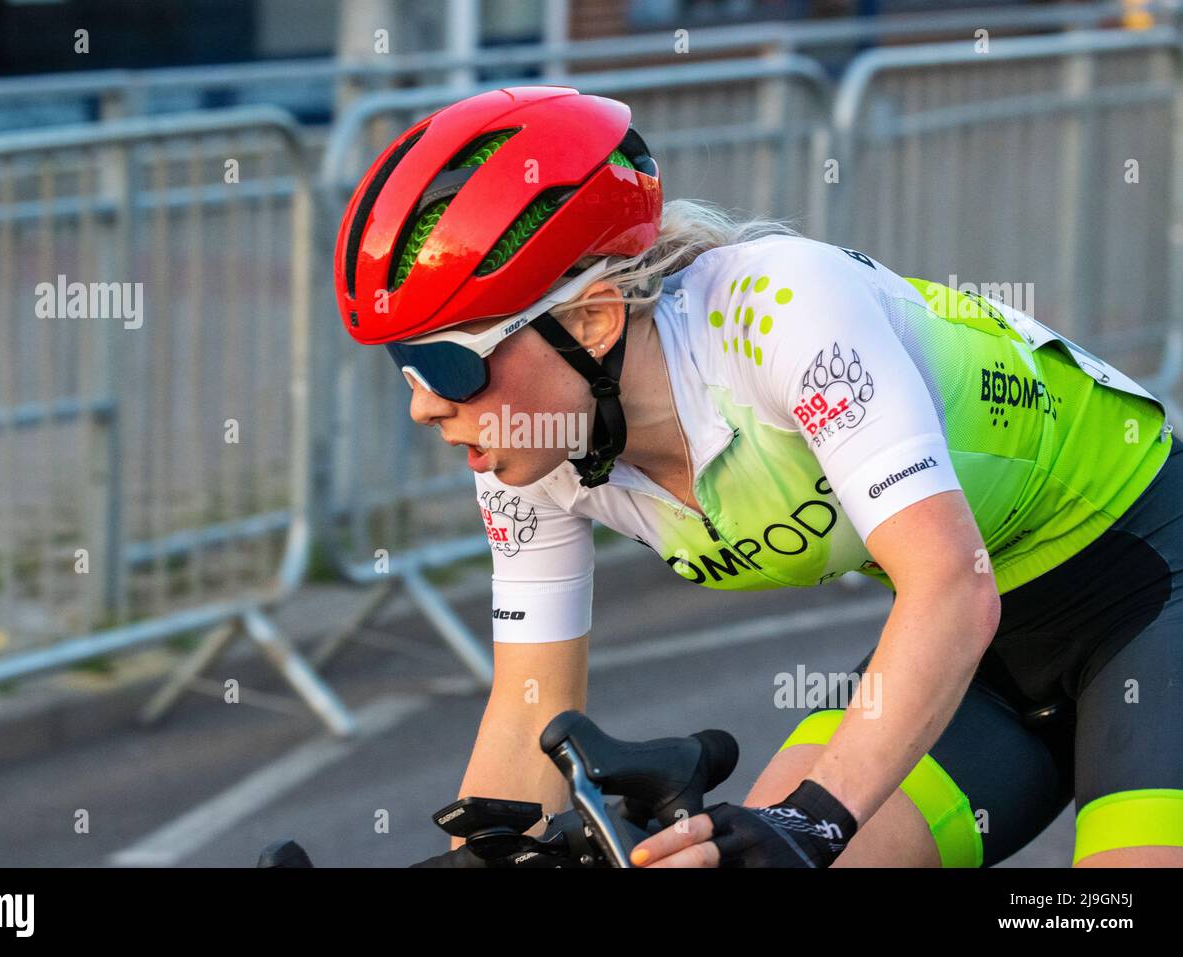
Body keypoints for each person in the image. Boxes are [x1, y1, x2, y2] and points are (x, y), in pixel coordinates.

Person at [333, 85, 1183, 867]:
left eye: (447, 363)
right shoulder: (533, 443)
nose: (424, 406)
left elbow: (951, 589)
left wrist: (812, 821)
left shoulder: (781, 313)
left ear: (590, 320)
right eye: (401, 366)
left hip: (1147, 584)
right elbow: (530, 710)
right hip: (983, 655)